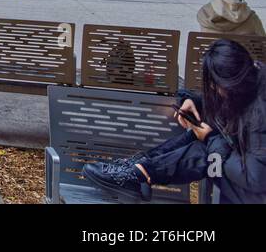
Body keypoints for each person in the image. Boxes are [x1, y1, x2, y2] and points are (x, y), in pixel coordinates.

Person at [84, 38, 266, 204]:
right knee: (200, 135)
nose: (213, 88)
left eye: (215, 84)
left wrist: (211, 140)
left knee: (205, 150)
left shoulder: (260, 113)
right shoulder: (251, 80)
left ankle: (138, 174)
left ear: (232, 82)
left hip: (253, 194)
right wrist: (193, 102)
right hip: (246, 180)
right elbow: (225, 107)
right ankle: (138, 169)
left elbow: (255, 178)